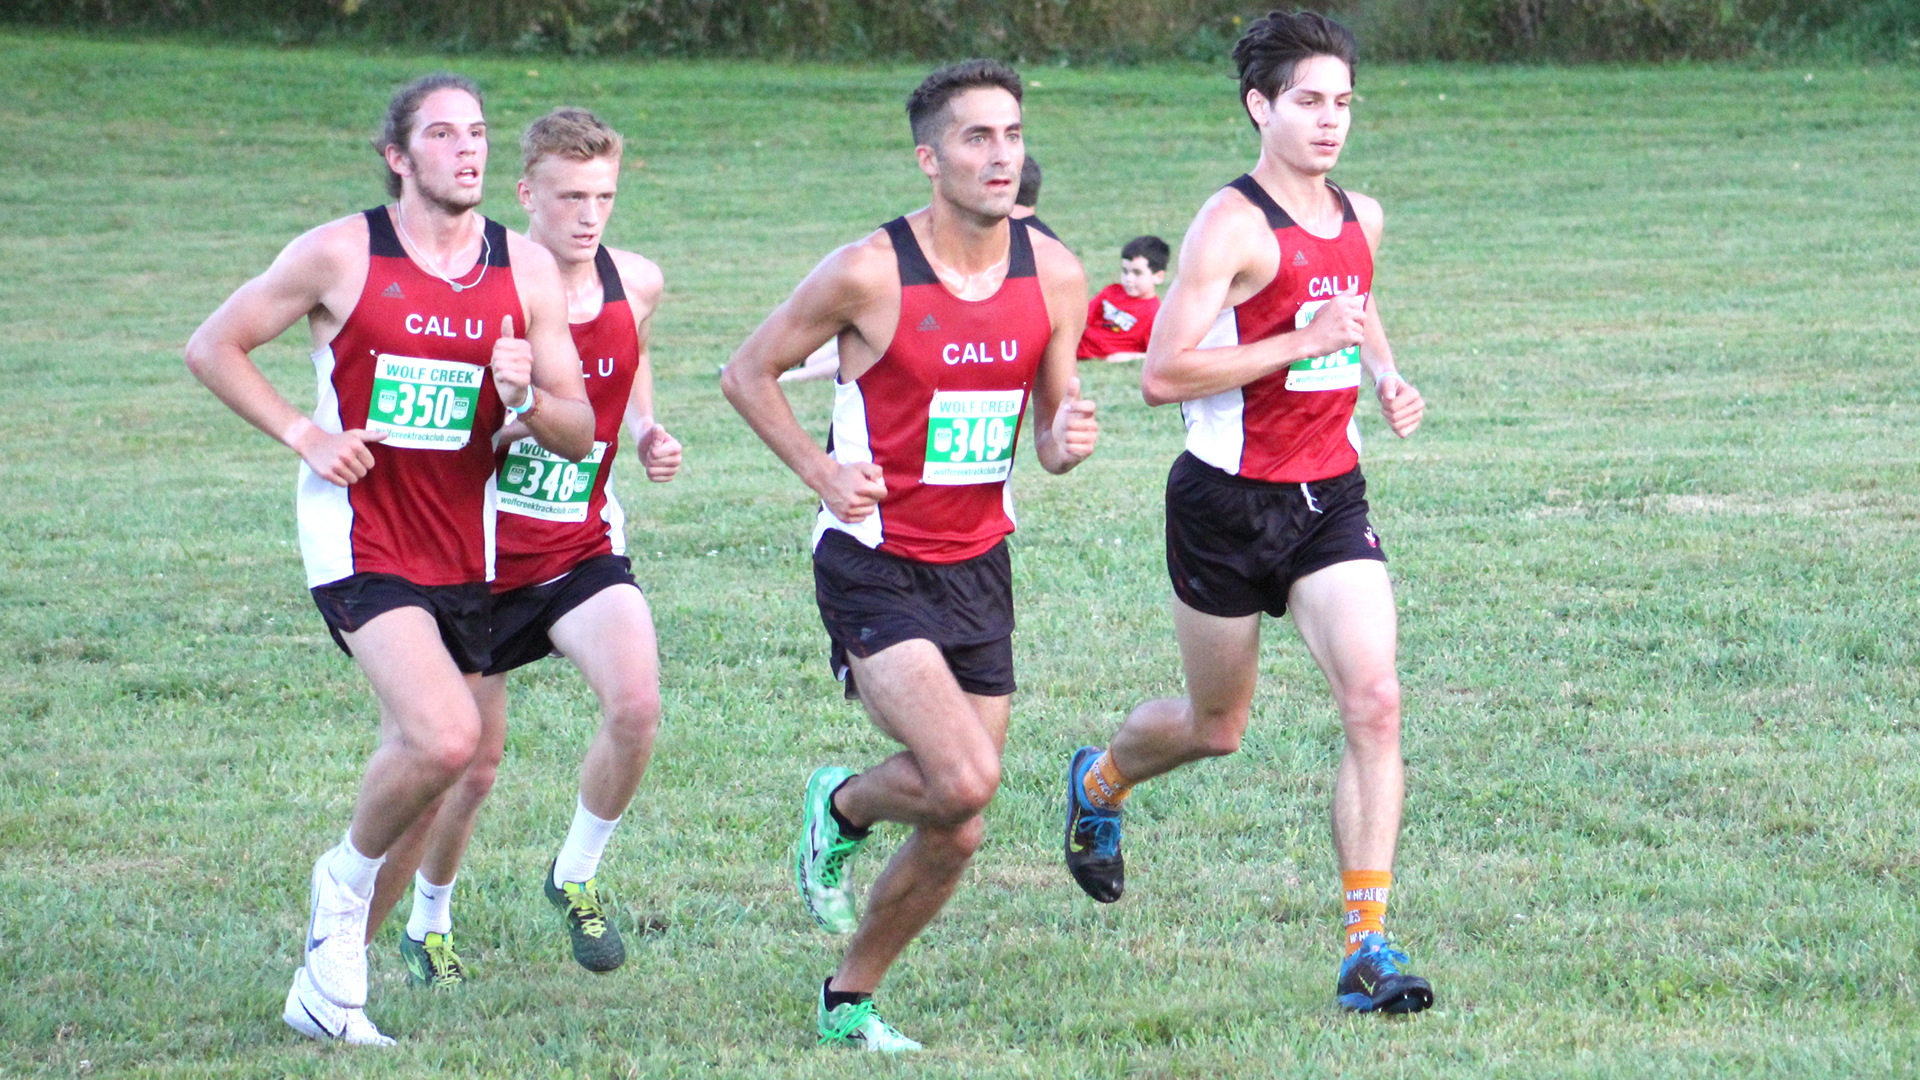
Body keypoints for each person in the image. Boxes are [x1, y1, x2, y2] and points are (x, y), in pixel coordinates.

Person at [183, 73, 594, 1045]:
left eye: (478, 132)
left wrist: (527, 397)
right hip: (361, 538)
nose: (468, 150)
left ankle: (330, 988)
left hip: (466, 549)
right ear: (398, 157)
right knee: (446, 737)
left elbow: (578, 430)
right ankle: (343, 882)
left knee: (439, 768)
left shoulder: (526, 269)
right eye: (443, 134)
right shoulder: (340, 253)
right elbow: (214, 346)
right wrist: (305, 434)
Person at [1060, 11, 1434, 1016]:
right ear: (1260, 107)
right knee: (1216, 727)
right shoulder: (1229, 225)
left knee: (1376, 700)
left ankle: (1366, 945)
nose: (1330, 120)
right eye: (1308, 101)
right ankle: (1099, 784)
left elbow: (1356, 300)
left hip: (1329, 497)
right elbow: (1162, 374)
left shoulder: (1362, 214)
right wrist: (1301, 343)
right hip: (1223, 505)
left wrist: (1385, 374)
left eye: (1343, 101)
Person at [721, 59, 1097, 1051]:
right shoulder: (869, 271)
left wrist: (1066, 441)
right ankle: (841, 804)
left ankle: (848, 998)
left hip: (980, 563)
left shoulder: (1055, 273)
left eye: (1012, 134)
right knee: (966, 778)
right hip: (873, 558)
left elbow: (1049, 434)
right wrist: (821, 472)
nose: (1001, 156)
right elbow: (747, 372)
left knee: (959, 823)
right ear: (930, 159)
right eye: (977, 137)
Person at [361, 107, 683, 990]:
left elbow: (631, 354)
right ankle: (427, 922)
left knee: (637, 705)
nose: (589, 216)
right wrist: (507, 423)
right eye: (570, 197)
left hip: (579, 545)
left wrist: (646, 430)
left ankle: (575, 873)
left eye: (603, 197)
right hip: (477, 562)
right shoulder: (487, 289)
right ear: (526, 194)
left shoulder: (636, 279)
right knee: (470, 769)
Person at [780, 153, 1061, 387]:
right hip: (941, 327)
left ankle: (799, 372)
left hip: (961, 337)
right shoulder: (1050, 248)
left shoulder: (1030, 253)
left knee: (887, 340)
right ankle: (806, 361)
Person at [1076, 235, 1168, 362]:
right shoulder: (1111, 292)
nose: (1129, 279)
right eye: (1125, 271)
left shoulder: (1155, 314)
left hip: (1098, 356)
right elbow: (1081, 319)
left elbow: (1158, 355)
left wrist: (1131, 356)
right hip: (1075, 347)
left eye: (1137, 273)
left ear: (1158, 277)